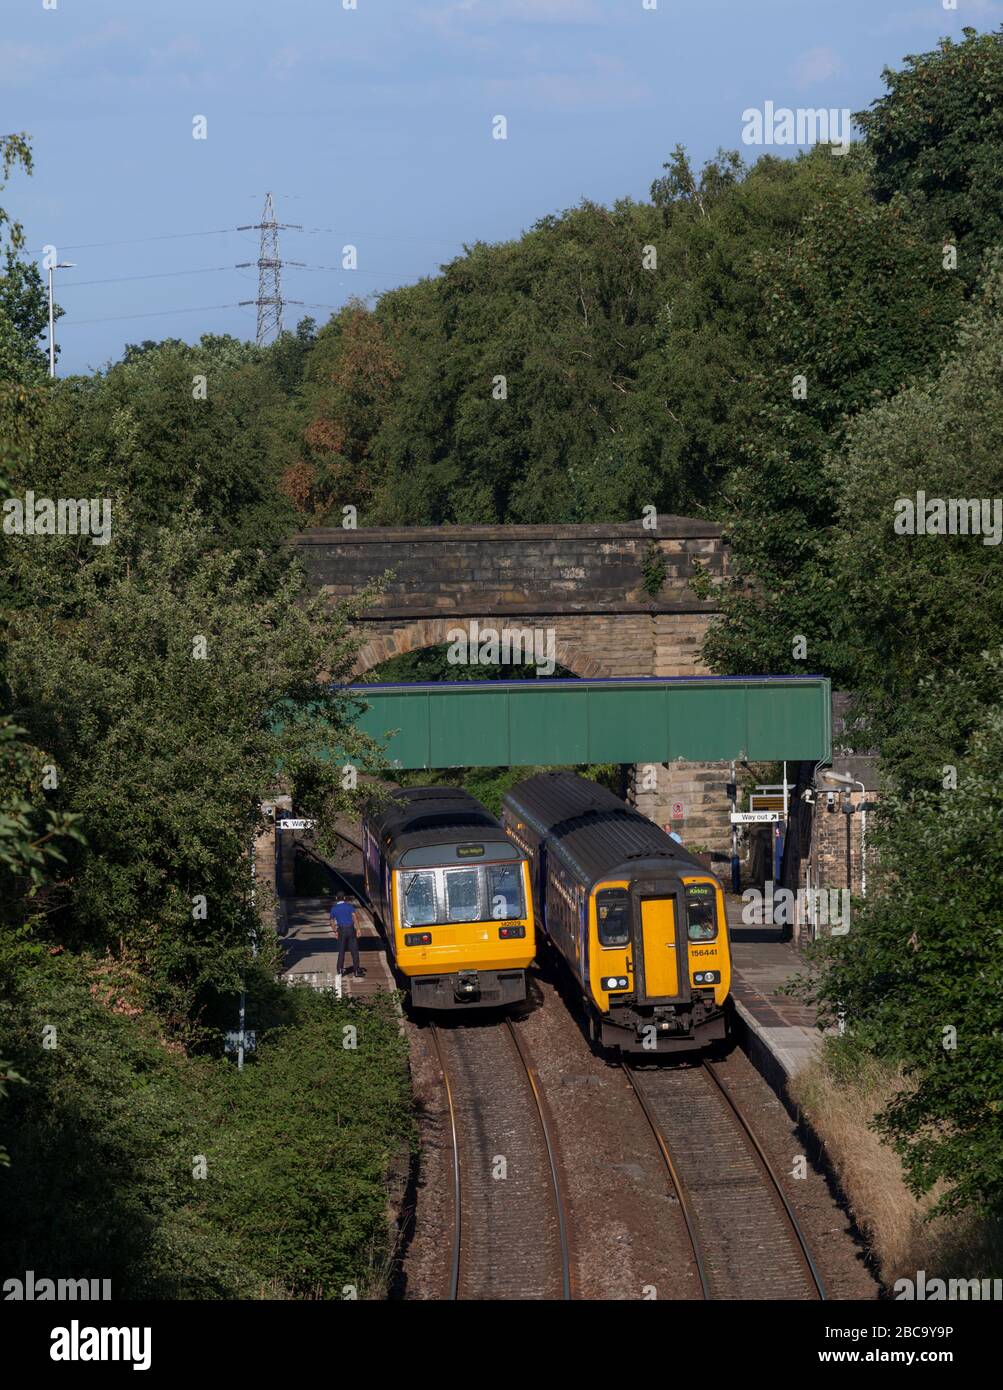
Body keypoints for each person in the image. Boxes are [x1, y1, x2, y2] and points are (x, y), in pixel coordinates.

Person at [330, 893, 365, 978]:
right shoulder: (349, 907)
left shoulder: (334, 909)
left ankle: (340, 970)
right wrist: (359, 929)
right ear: (344, 898)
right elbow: (354, 917)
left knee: (341, 951)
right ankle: (356, 971)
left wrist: (335, 931)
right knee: (354, 951)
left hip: (341, 930)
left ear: (336, 898)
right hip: (350, 929)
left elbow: (332, 921)